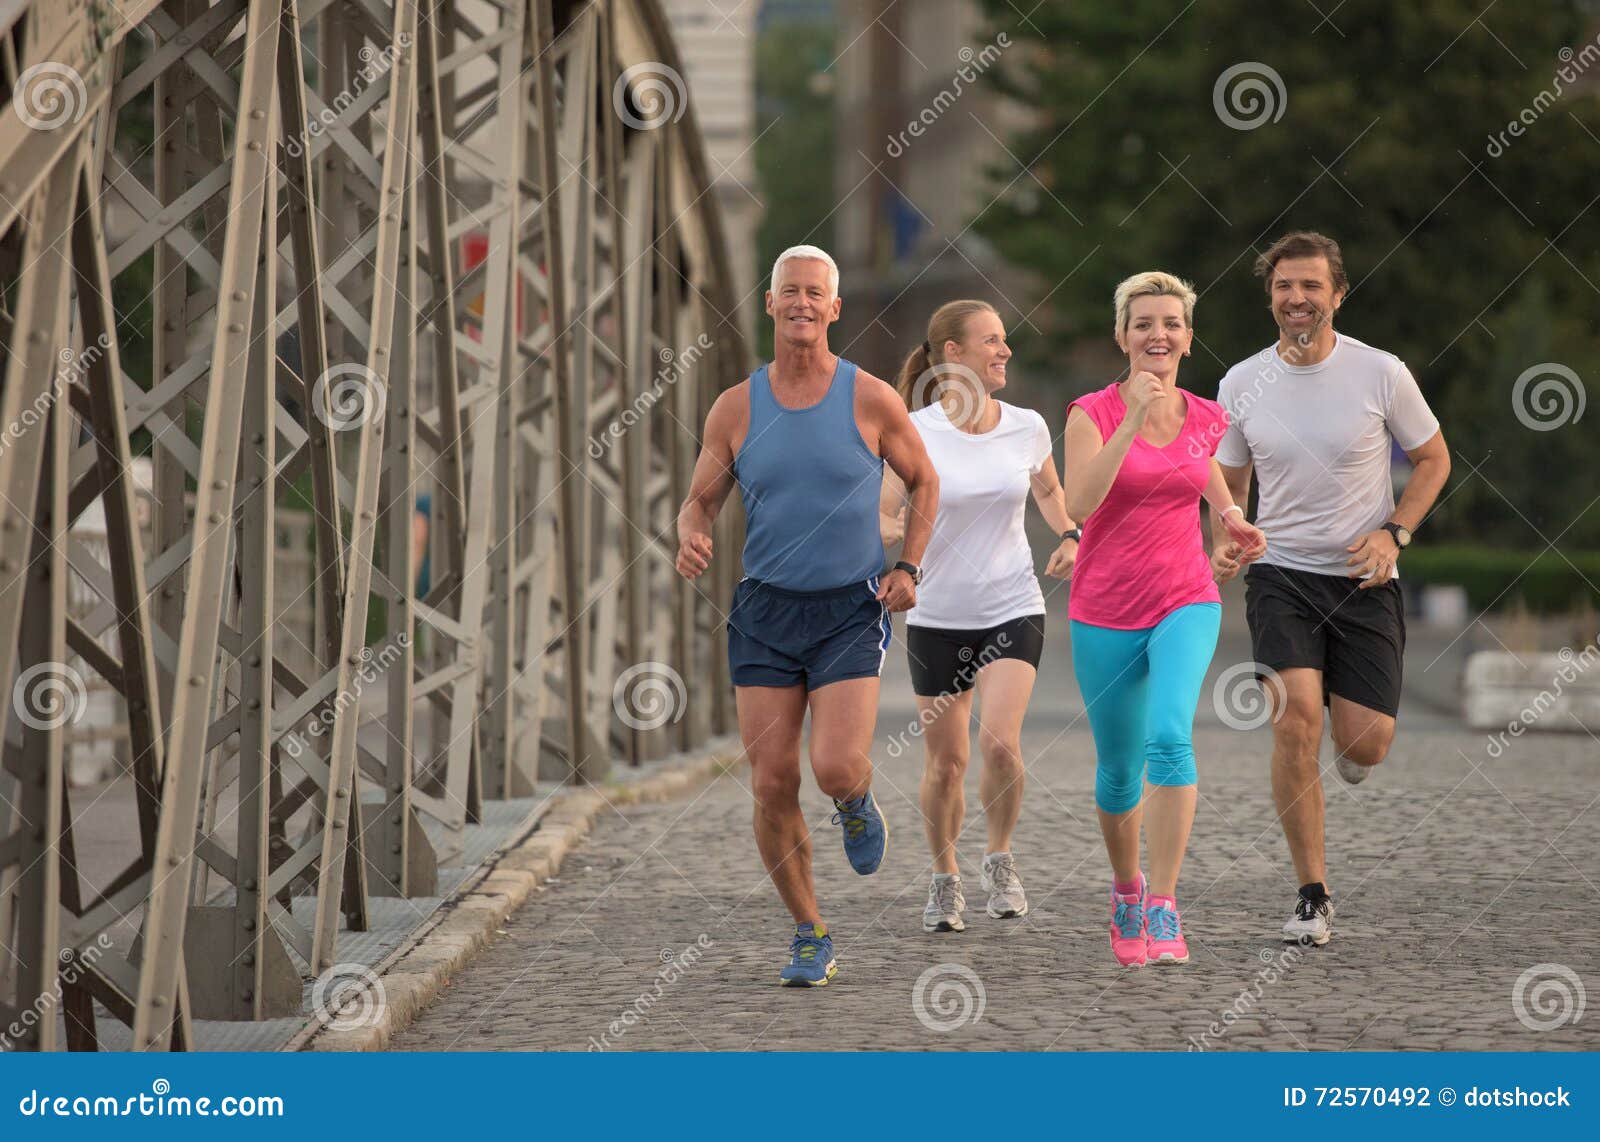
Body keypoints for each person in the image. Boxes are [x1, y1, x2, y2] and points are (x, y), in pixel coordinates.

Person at [675, 244, 939, 986]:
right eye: (787, 291)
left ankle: (855, 799)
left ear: (833, 308)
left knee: (833, 764)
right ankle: (809, 930)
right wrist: (691, 534)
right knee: (769, 783)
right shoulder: (735, 406)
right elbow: (700, 499)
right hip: (764, 609)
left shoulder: (870, 397)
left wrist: (908, 566)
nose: (800, 303)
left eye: (813, 293)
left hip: (849, 607)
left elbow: (926, 482)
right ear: (768, 304)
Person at [1212, 231, 1450, 947]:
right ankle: (1312, 893)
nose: (1298, 298)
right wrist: (1230, 531)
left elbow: (1435, 459)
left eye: (1311, 286)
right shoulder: (1241, 382)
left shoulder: (1381, 373)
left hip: (1365, 577)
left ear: (1337, 295)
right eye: (1285, 286)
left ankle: (1354, 751)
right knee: (1294, 719)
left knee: (1365, 745)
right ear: (1271, 297)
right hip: (1281, 574)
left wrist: (1396, 531)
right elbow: (1228, 478)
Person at [1063, 271, 1266, 968]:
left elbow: (1201, 467)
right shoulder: (1089, 413)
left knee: (1171, 739)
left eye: (1171, 323)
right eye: (1144, 323)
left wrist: (1230, 520)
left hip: (1185, 597)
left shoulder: (1208, 415)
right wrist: (1127, 425)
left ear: (1187, 335)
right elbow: (1081, 506)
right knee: (1118, 773)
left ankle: (1165, 903)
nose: (1158, 334)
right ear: (1123, 336)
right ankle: (1127, 892)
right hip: (1104, 608)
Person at [879, 300, 1078, 933]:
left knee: (1000, 744)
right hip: (938, 612)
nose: (1005, 351)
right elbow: (886, 514)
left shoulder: (1025, 425)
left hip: (1011, 604)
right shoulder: (914, 431)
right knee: (947, 763)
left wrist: (1070, 532)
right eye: (991, 341)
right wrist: (896, 552)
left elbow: (1046, 489)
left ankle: (999, 857)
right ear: (953, 355)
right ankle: (944, 877)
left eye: (1005, 340)